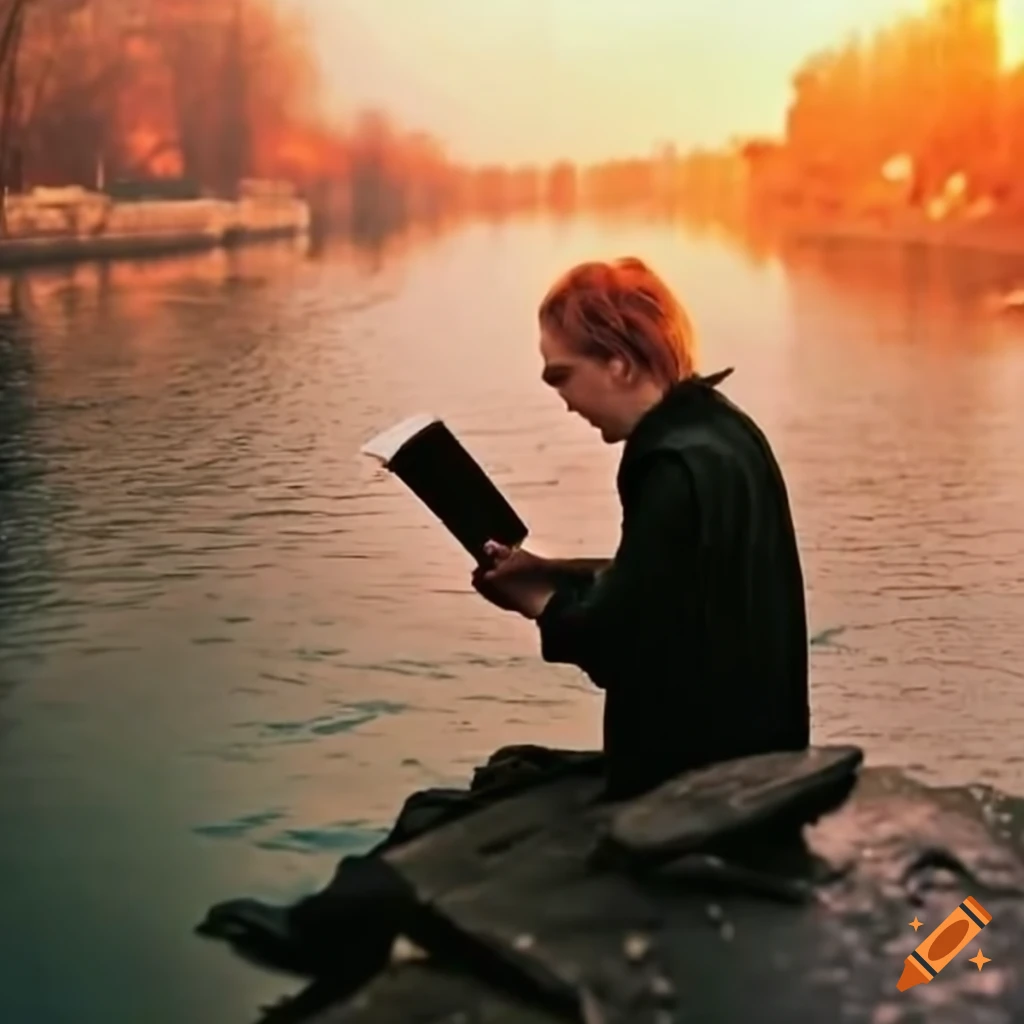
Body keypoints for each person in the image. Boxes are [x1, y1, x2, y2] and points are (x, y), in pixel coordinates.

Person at [472, 256, 810, 800]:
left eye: (562, 375)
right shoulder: (723, 429)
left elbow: (622, 647)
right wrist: (549, 570)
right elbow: (675, 578)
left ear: (619, 364)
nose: (562, 401)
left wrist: (536, 600)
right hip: (761, 760)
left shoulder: (669, 466)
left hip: (698, 789)